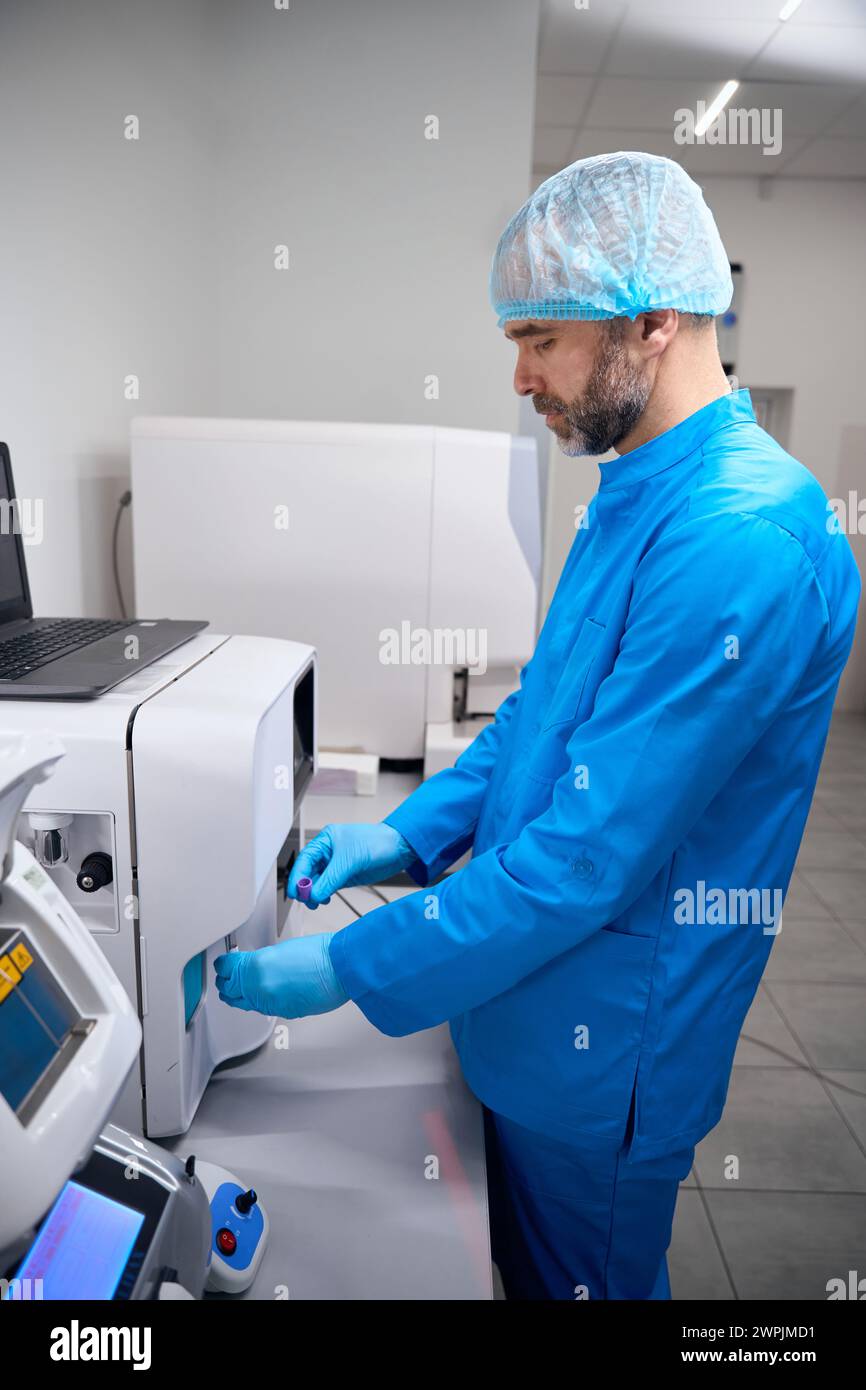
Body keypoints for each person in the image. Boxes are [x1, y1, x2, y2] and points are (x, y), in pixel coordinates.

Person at [215, 152, 861, 1300]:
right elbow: (538, 720)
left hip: (603, 1049)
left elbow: (586, 855)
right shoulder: (639, 487)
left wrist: (351, 964)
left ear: (651, 320)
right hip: (527, 1010)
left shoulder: (737, 536)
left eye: (538, 340)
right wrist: (406, 836)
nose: (517, 376)